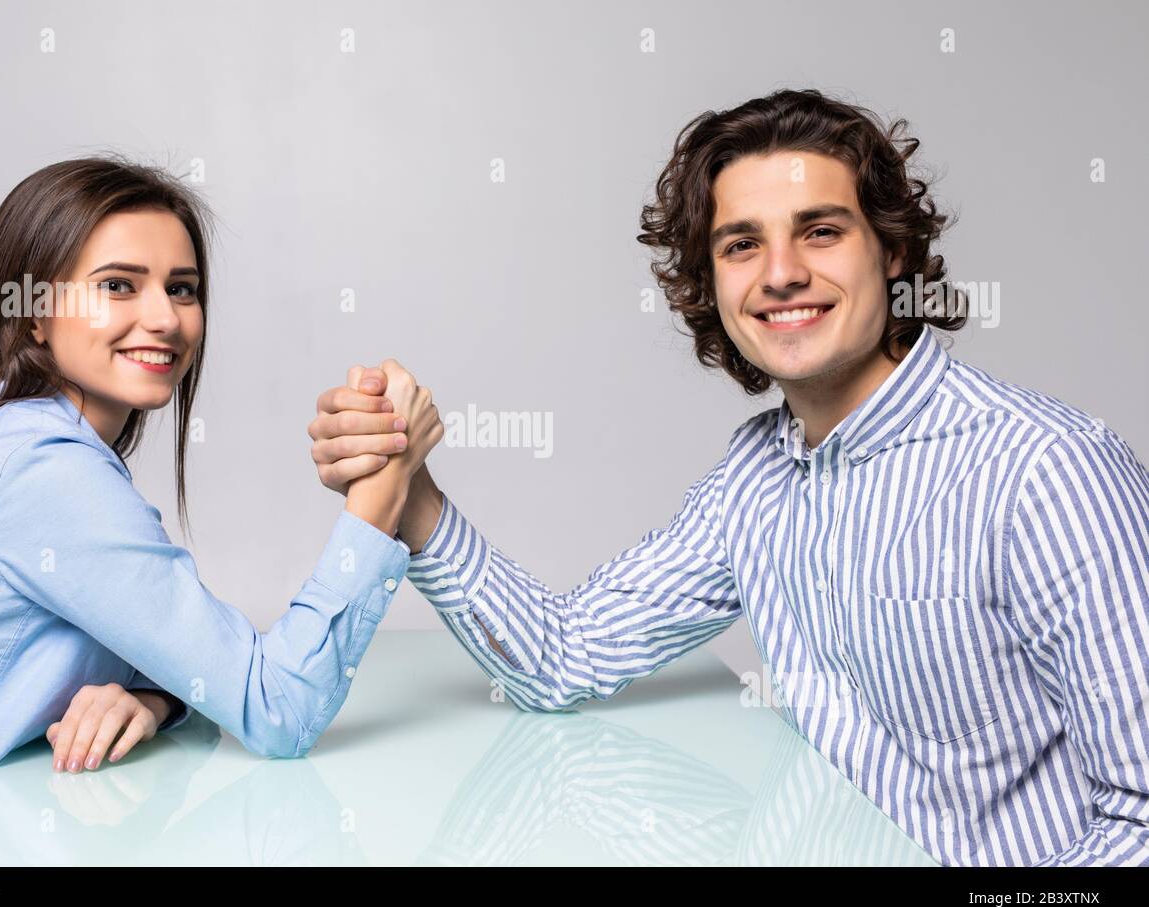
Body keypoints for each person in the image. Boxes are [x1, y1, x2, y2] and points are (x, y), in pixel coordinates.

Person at [308, 89, 1149, 866]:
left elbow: (1139, 821)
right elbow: (562, 658)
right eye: (742, 244)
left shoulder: (1048, 473)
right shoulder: (756, 477)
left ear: (893, 253)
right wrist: (411, 495)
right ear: (711, 282)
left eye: (821, 231)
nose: (780, 273)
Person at [0, 157, 442, 866]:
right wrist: (385, 489)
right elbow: (277, 706)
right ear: (35, 311)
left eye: (182, 289)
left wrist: (155, 694)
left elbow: (169, 646)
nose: (164, 318)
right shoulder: (40, 470)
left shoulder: (19, 439)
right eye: (118, 286)